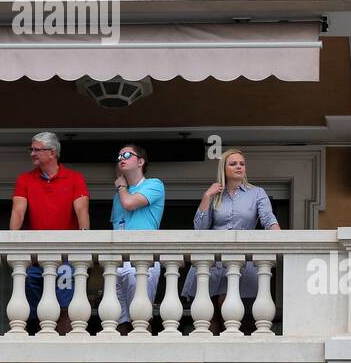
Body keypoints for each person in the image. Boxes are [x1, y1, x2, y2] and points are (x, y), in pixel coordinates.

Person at [182, 148, 279, 331]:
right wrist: (207, 196)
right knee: (207, 315)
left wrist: (282, 240)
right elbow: (200, 229)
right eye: (233, 163)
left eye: (242, 164)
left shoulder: (256, 193)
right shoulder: (215, 194)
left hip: (239, 260)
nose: (239, 167)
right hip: (213, 261)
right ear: (223, 169)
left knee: (228, 307)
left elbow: (268, 220)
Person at [10, 132, 89, 334]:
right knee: (30, 310)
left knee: (65, 308)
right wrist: (12, 242)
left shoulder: (74, 179)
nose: (32, 154)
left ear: (52, 153)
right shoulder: (25, 179)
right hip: (34, 259)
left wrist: (83, 245)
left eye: (37, 150)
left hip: (66, 260)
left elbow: (82, 211)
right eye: (32, 149)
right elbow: (18, 211)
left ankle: (64, 354)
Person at [111, 143, 165, 334]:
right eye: (119, 157)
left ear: (140, 161)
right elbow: (116, 227)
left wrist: (122, 187)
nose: (121, 159)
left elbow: (130, 203)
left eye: (126, 154)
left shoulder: (154, 185)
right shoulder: (119, 194)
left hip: (143, 259)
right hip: (118, 260)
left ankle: (145, 362)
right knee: (119, 319)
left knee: (141, 317)